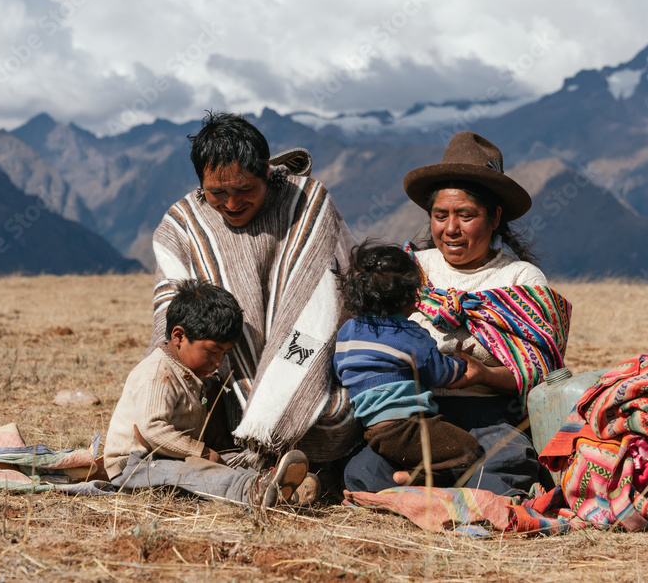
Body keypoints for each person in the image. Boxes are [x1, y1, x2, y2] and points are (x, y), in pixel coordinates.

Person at [343, 131, 570, 497]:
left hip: (489, 412)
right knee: (362, 473)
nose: (450, 229)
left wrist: (485, 374)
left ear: (495, 217)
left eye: (466, 215)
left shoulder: (521, 280)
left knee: (507, 461)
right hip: (415, 415)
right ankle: (444, 490)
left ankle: (421, 490)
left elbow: (539, 369)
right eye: (440, 215)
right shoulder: (410, 270)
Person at [150, 112, 360, 480]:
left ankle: (271, 458)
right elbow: (172, 319)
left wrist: (277, 396)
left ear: (267, 172)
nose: (232, 204)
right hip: (223, 378)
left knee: (333, 415)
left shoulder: (306, 203)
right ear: (201, 183)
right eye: (217, 193)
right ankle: (276, 471)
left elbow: (322, 302)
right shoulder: (183, 225)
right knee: (183, 420)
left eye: (245, 190)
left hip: (310, 371)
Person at [106, 279, 312, 506]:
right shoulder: (157, 373)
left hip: (172, 457)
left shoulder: (189, 374)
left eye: (224, 353)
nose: (218, 362)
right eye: (213, 352)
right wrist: (201, 452)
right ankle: (253, 492)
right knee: (198, 472)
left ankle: (279, 486)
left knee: (231, 461)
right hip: (136, 465)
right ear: (179, 336)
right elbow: (152, 430)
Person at [333, 242, 490, 486]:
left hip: (372, 431)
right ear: (410, 297)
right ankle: (417, 478)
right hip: (407, 428)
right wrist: (461, 363)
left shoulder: (347, 332)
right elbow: (440, 375)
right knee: (469, 450)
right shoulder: (411, 335)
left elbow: (341, 369)